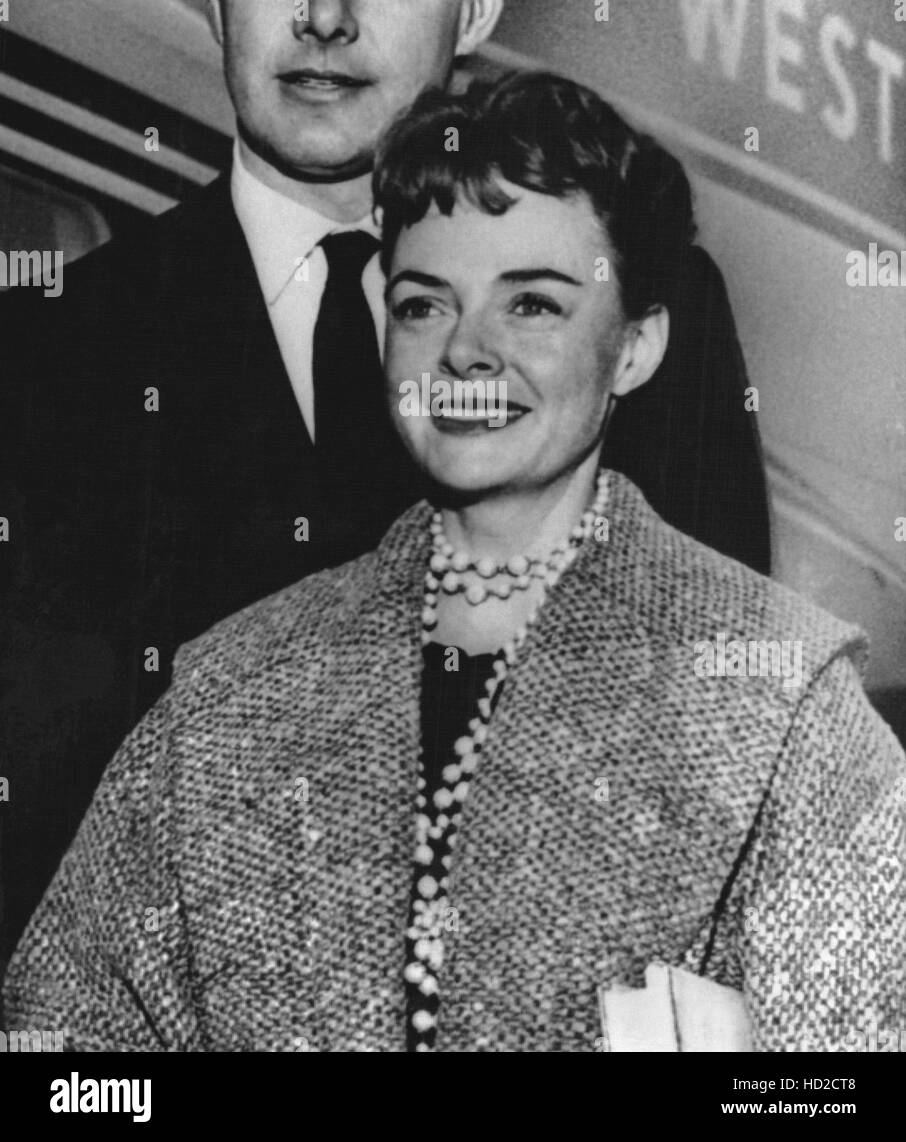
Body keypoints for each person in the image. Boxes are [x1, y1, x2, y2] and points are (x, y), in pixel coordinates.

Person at [0, 0, 767, 965]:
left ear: (473, 5)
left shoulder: (654, 316)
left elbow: (726, 768)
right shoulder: (44, 361)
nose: (322, 17)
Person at [5, 72, 902, 1053]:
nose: (468, 353)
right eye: (427, 303)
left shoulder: (778, 700)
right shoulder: (233, 687)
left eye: (533, 306)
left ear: (637, 346)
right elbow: (60, 1045)